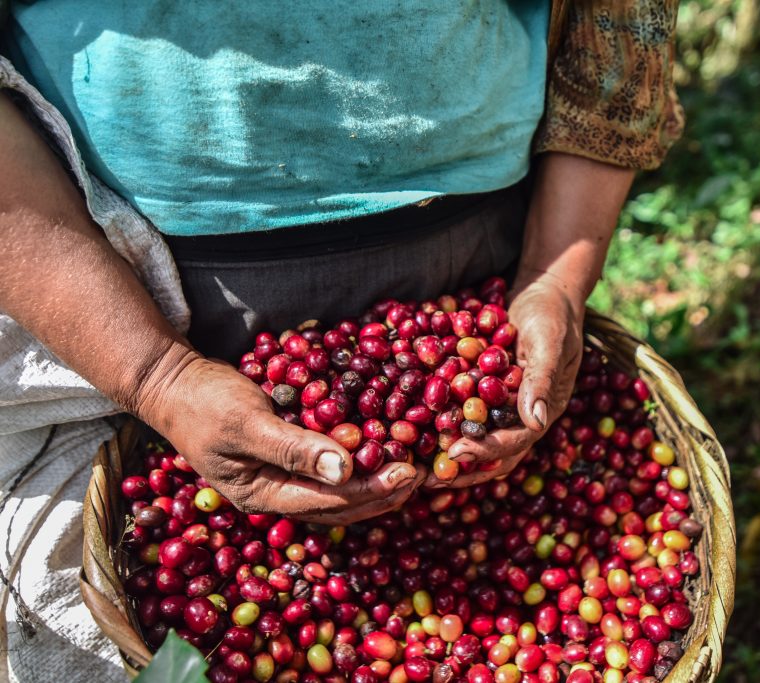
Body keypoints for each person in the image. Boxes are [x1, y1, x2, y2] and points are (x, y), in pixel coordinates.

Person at [0, 2, 681, 678]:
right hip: (116, 293)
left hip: (490, 256)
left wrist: (553, 277)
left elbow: (619, 19)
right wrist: (157, 374)